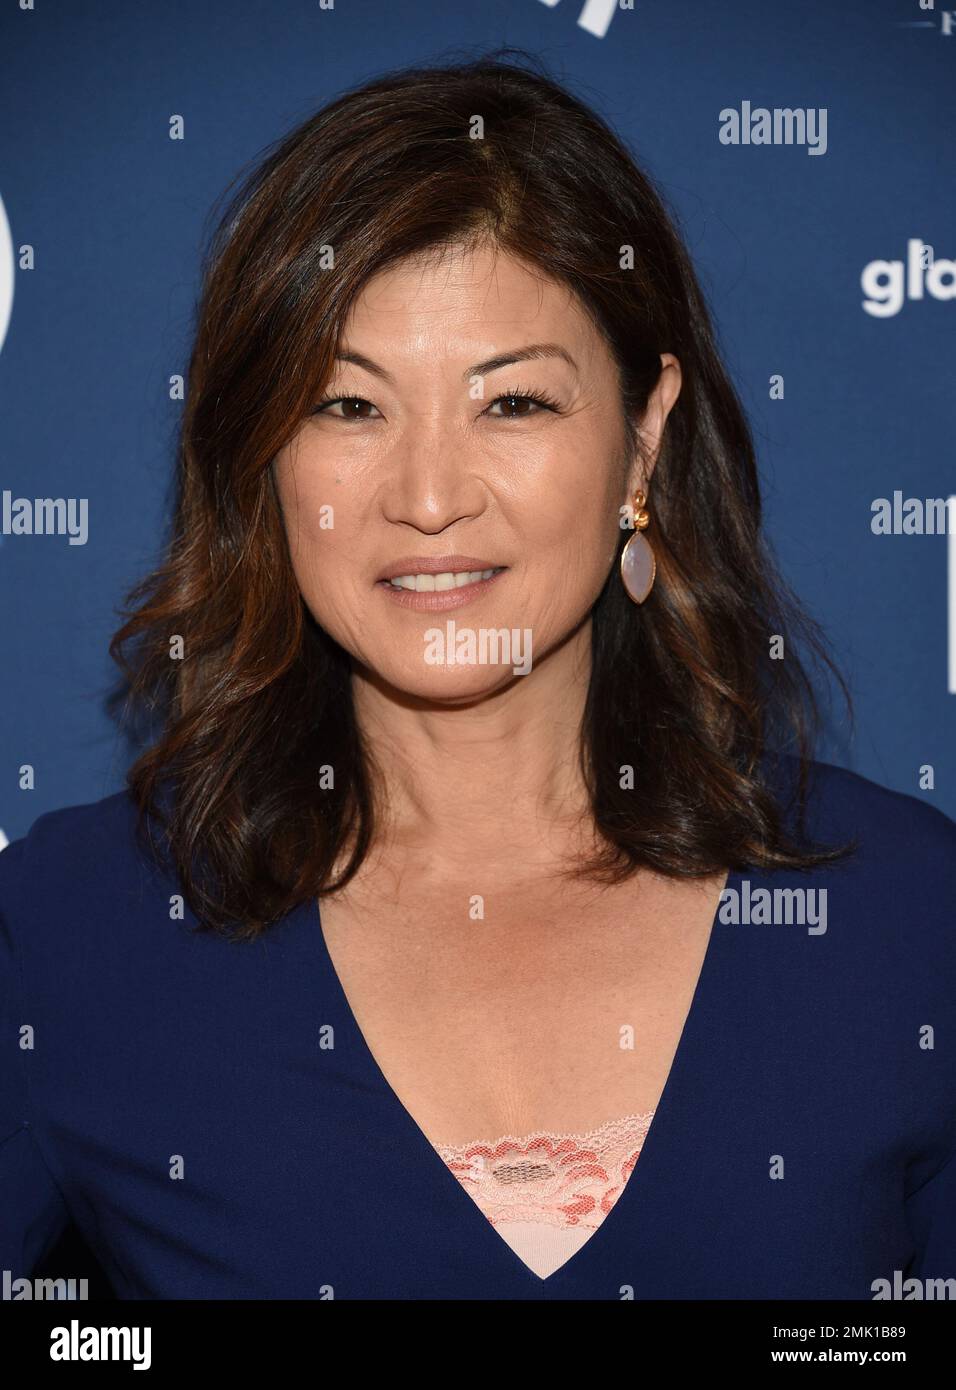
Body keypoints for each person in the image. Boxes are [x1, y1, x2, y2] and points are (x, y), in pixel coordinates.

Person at [2, 51, 954, 1299]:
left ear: (643, 436)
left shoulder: (901, 912)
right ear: (262, 458)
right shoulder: (75, 928)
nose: (430, 497)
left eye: (510, 403)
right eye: (348, 406)